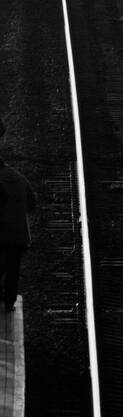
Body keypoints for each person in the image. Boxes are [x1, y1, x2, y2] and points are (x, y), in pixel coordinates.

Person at [0, 130, 37, 313]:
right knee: (13, 270)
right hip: (20, 235)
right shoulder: (19, 177)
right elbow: (32, 203)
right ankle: (9, 303)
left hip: (2, 233)